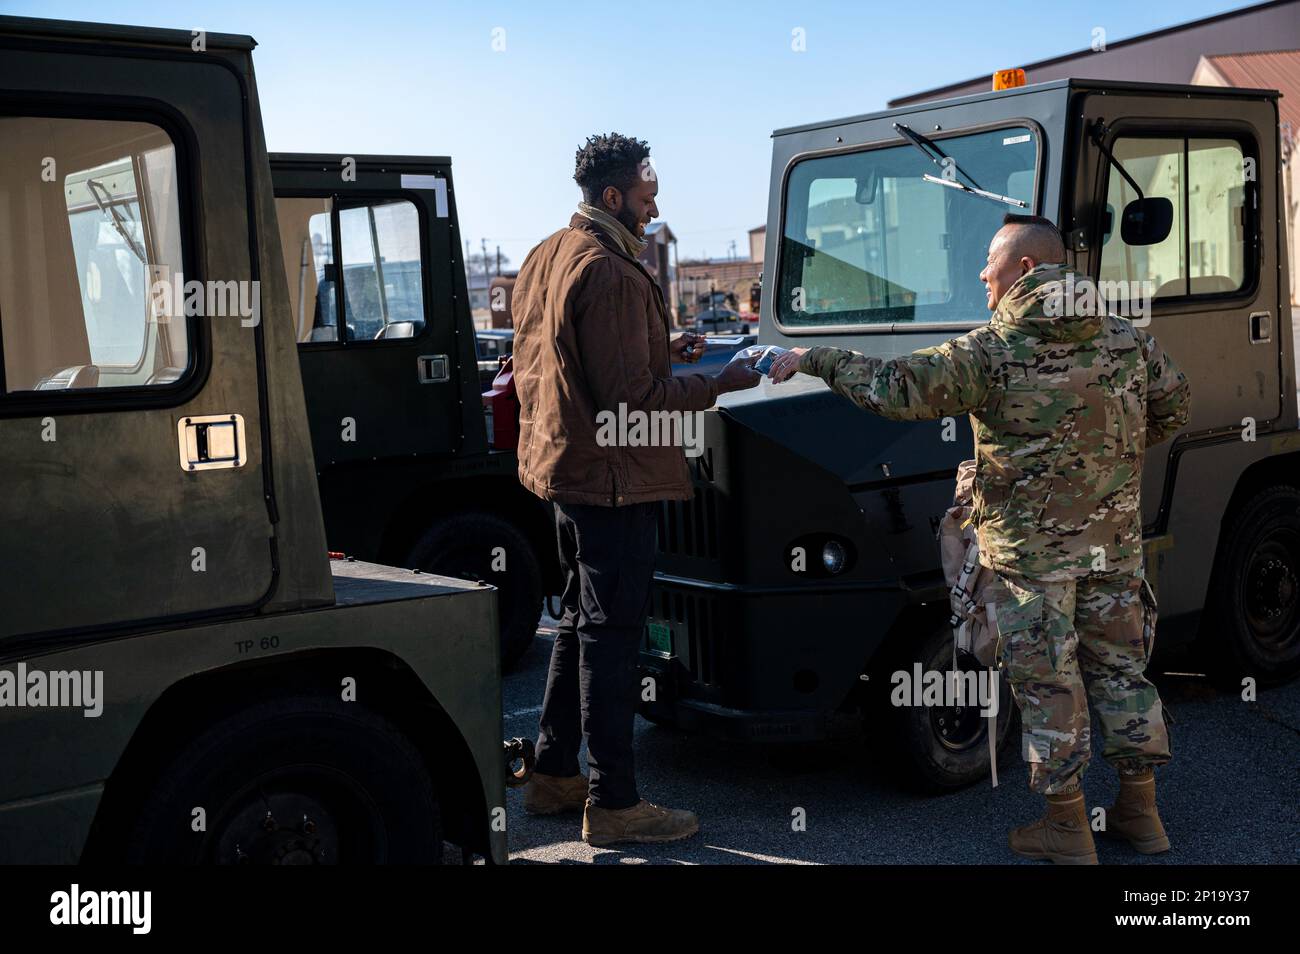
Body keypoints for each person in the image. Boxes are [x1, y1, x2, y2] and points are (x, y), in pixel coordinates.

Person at [770, 213, 1190, 865]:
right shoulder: (1125, 337)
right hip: (1114, 546)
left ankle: (1068, 829)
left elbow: (895, 388)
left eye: (989, 262)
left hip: (1031, 558)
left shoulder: (993, 348)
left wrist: (814, 357)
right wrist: (1102, 463)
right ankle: (1142, 815)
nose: (981, 274)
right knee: (1120, 670)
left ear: (1024, 268)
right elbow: (1176, 404)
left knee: (1049, 684)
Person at [511, 132, 760, 846]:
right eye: (647, 199)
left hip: (565, 472)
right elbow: (630, 401)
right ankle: (615, 803)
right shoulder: (614, 272)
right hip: (613, 481)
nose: (655, 211)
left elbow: (565, 360)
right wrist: (718, 382)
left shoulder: (550, 252)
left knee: (576, 627)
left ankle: (556, 775)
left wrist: (664, 346)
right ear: (614, 196)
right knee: (613, 638)